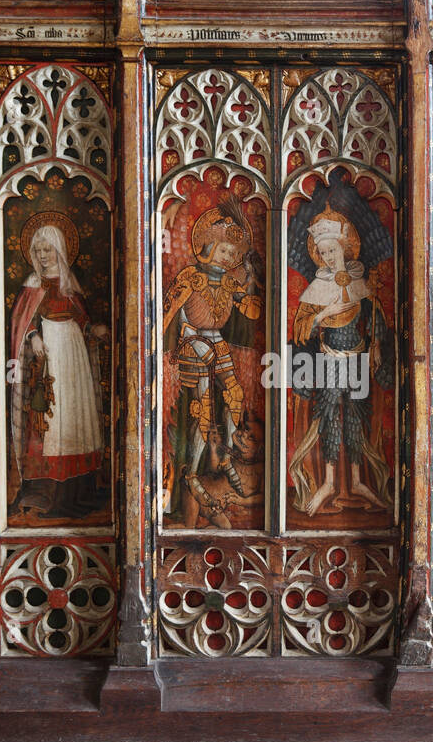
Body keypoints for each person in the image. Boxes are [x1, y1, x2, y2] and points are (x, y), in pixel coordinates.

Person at [162, 199, 263, 524]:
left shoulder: (230, 281)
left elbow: (252, 312)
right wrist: (162, 345)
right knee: (203, 408)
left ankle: (226, 459)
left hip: (216, 342)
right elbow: (167, 313)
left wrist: (251, 287)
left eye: (234, 253)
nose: (229, 257)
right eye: (224, 250)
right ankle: (191, 472)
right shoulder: (191, 276)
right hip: (193, 341)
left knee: (234, 397)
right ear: (208, 246)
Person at [288, 206, 392, 516]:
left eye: (332, 250)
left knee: (355, 417)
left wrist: (375, 347)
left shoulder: (359, 279)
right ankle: (329, 483)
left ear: (343, 248)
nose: (328, 257)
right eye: (322, 253)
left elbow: (375, 317)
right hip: (329, 359)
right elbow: (301, 326)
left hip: (357, 356)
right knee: (329, 413)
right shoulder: (319, 286)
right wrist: (322, 313)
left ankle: (358, 481)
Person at [8, 218, 106, 518]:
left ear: (59, 251)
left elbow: (82, 320)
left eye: (47, 250)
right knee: (48, 422)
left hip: (73, 357)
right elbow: (20, 322)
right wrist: (33, 335)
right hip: (48, 358)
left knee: (74, 418)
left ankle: (76, 492)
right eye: (37, 250)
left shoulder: (69, 281)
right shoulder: (32, 284)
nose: (42, 256)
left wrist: (94, 330)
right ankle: (43, 492)